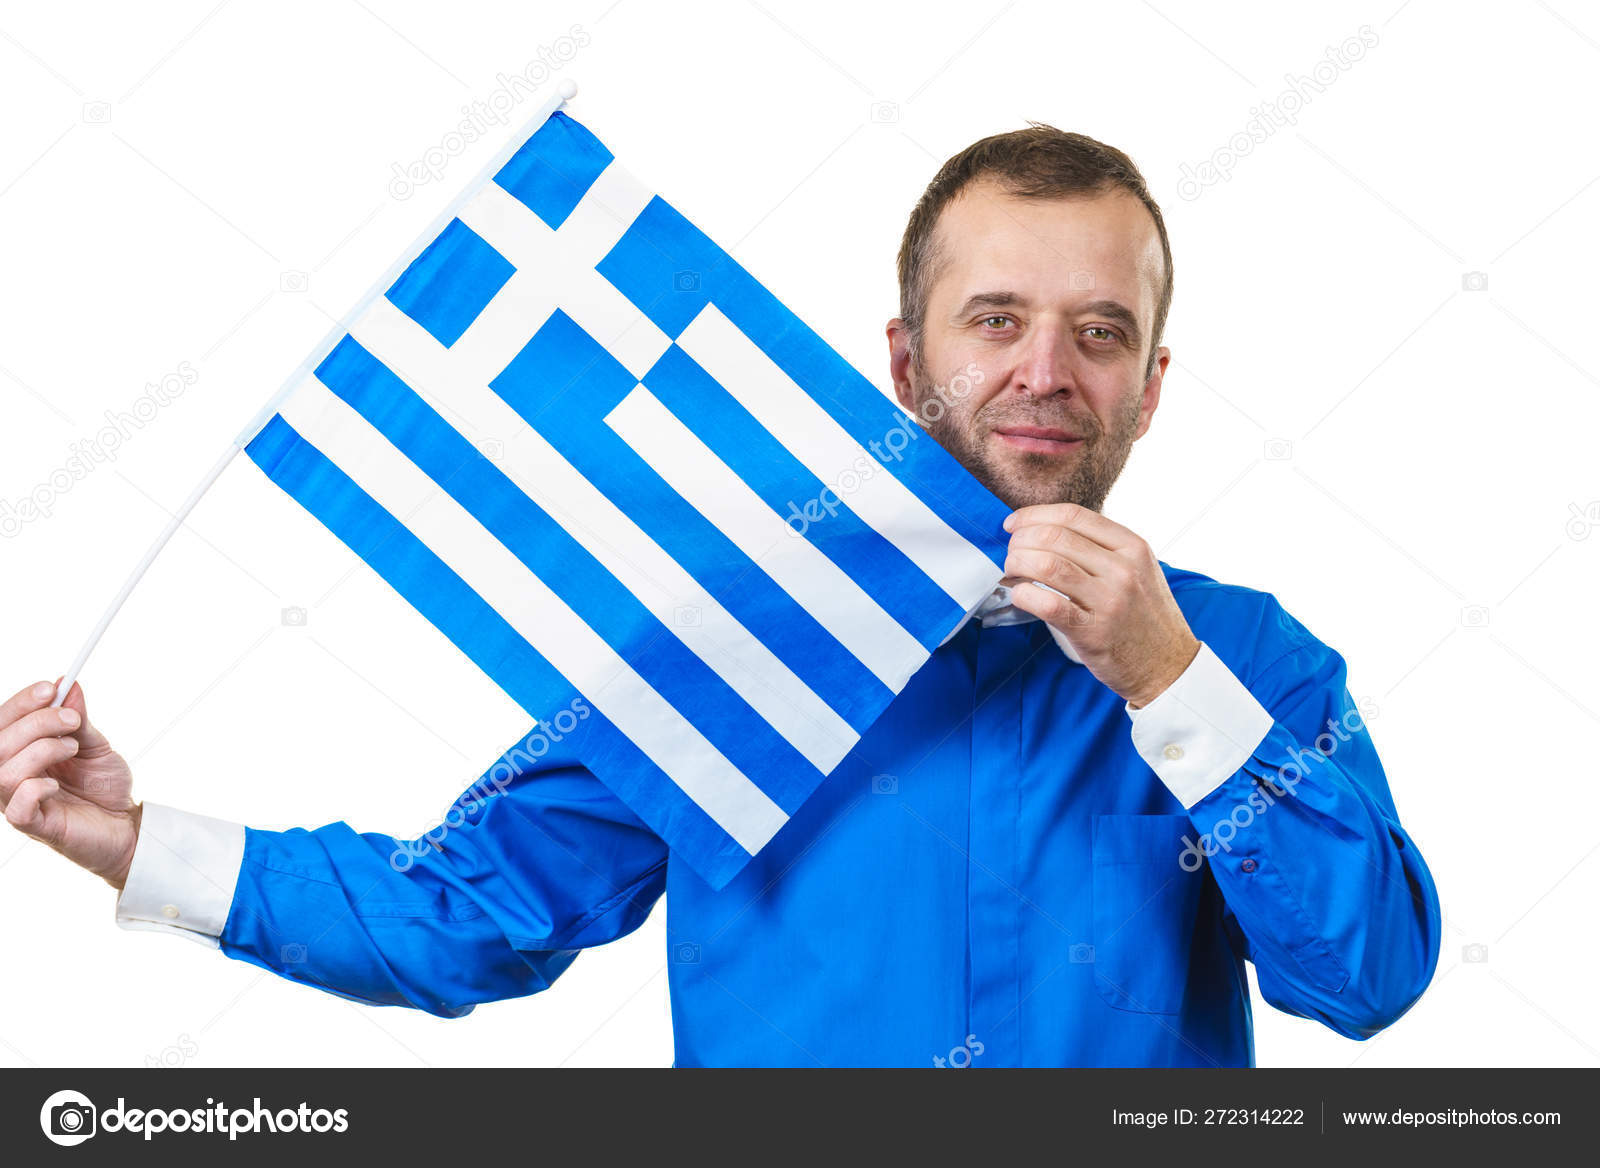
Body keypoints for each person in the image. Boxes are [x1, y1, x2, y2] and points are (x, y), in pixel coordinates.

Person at [0, 123, 1440, 1067]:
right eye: (994, 320)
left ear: (1152, 385)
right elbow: (463, 917)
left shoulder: (1252, 662)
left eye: (1100, 332)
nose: (1045, 374)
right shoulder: (733, 644)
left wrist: (1171, 686)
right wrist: (129, 841)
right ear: (903, 363)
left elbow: (1365, 976)